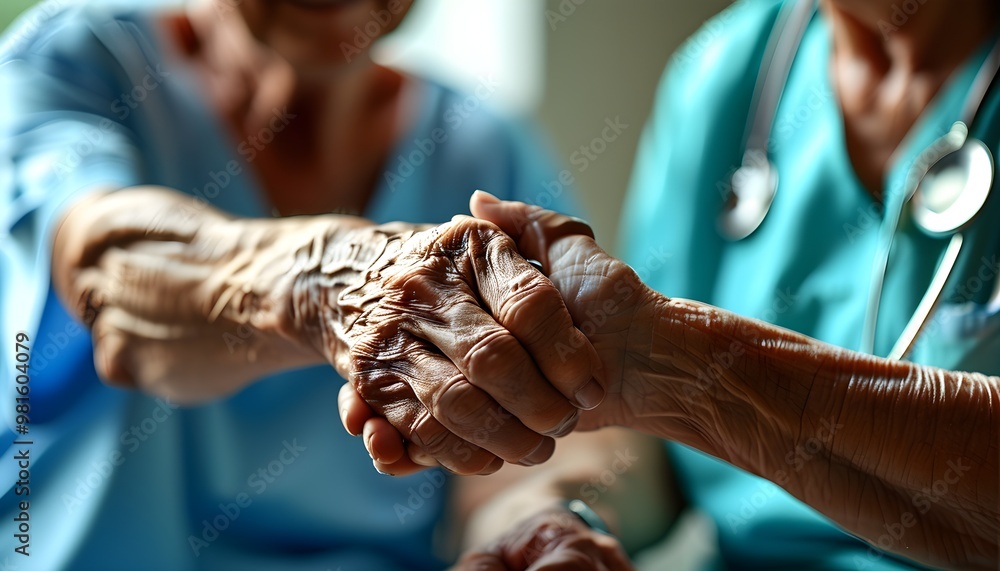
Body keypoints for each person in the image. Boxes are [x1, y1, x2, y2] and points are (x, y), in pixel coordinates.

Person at [0, 0, 672, 568]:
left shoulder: (483, 148)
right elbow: (108, 274)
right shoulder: (78, 63)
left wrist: (538, 515)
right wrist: (329, 281)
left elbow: (572, 420)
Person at [344, 0, 1000, 569]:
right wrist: (556, 519)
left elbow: (651, 370)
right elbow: (634, 435)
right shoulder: (726, 74)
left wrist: (678, 361)